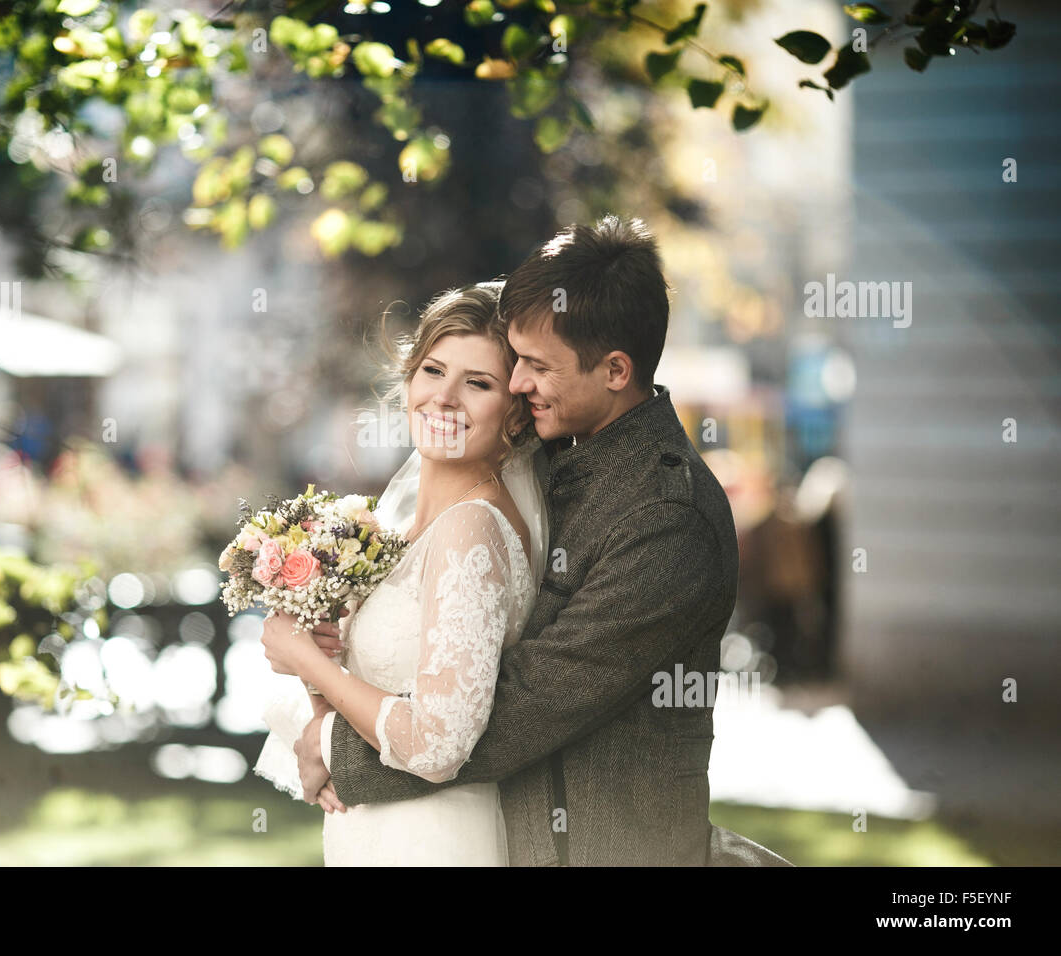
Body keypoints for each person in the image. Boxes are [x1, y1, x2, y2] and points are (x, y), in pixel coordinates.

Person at [283, 215, 790, 866]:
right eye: (514, 361)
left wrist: (332, 747)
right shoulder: (554, 464)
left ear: (614, 370)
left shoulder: (666, 516)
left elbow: (523, 707)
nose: (518, 385)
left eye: (535, 366)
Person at [256, 281, 548, 865]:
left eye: (479, 383)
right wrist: (319, 685)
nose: (444, 398)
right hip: (373, 834)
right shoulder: (406, 529)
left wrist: (306, 661)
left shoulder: (472, 529)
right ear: (409, 378)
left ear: (515, 414)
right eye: (434, 370)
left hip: (432, 840)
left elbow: (439, 741)